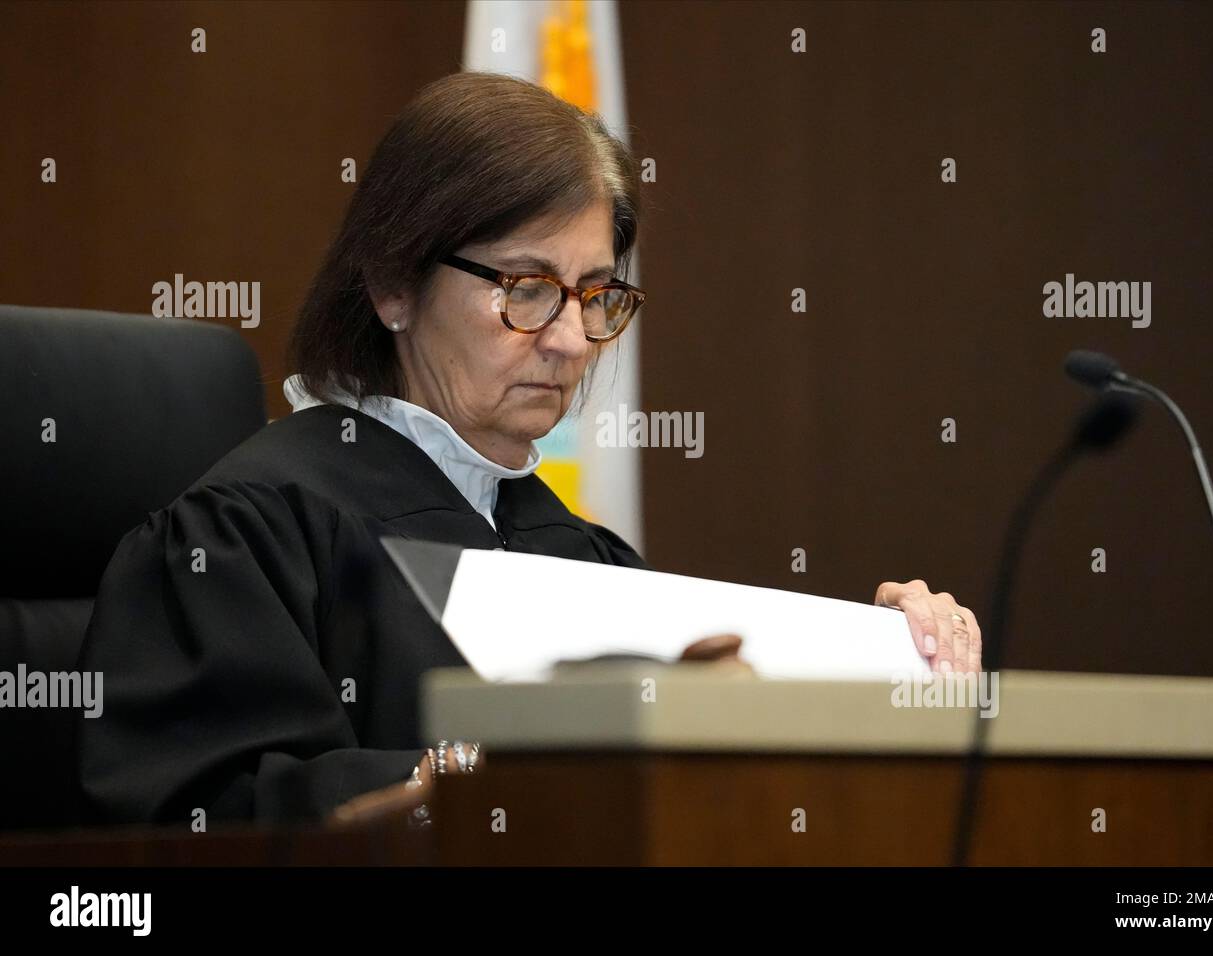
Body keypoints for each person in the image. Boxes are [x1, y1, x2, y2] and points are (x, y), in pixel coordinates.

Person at [77, 72, 981, 826]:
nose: (571, 340)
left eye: (594, 294)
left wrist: (895, 674)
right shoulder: (243, 534)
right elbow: (198, 823)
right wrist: (464, 780)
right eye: (525, 287)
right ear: (394, 284)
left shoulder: (582, 555)